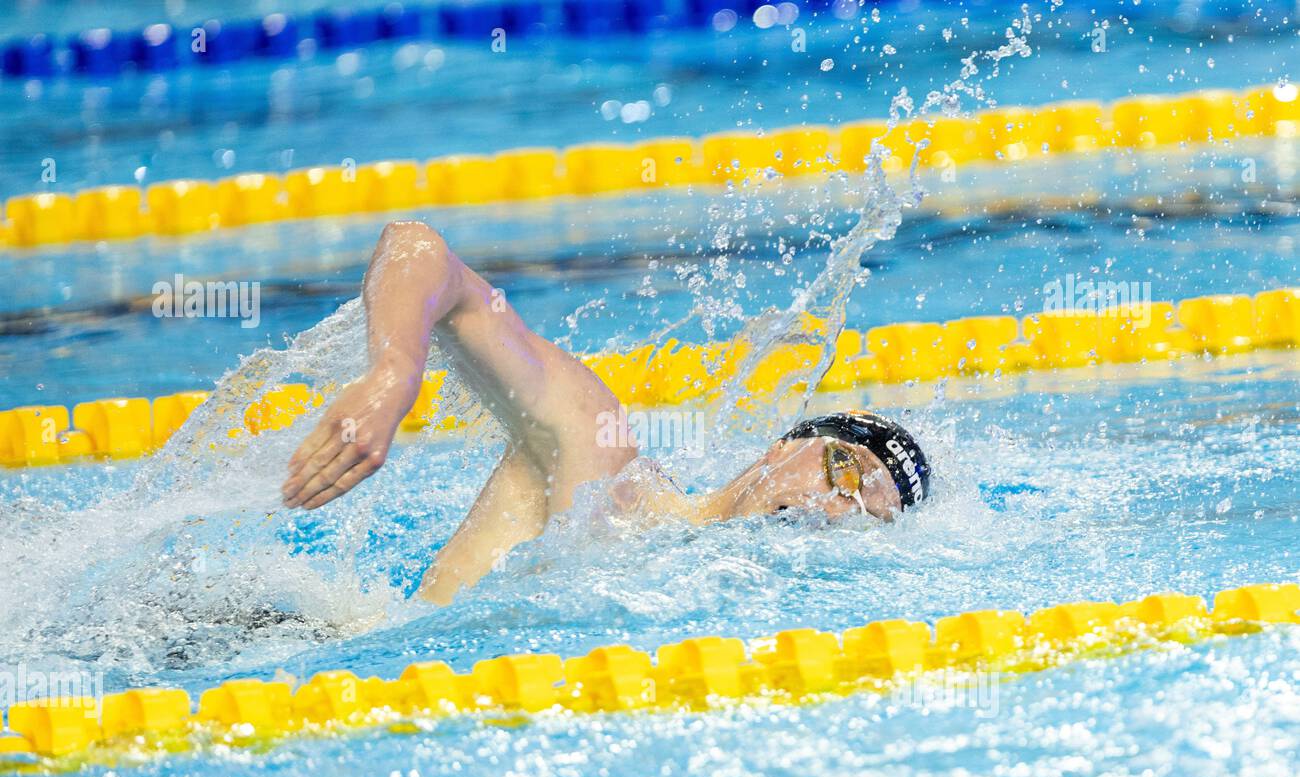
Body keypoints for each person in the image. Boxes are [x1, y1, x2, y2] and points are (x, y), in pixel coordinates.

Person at [281, 221, 931, 604]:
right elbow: (418, 249)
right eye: (843, 473)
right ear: (785, 446)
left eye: (867, 516)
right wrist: (394, 372)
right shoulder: (604, 466)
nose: (835, 508)